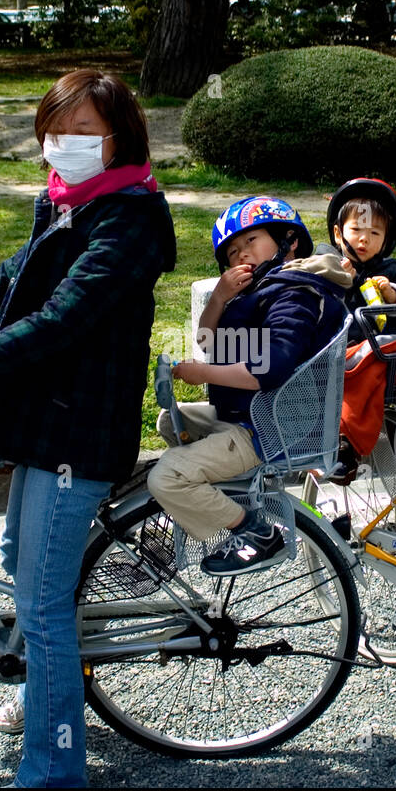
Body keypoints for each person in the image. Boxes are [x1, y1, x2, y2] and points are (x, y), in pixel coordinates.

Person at [0, 70, 176, 786]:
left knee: (43, 605)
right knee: (22, 562)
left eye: (85, 132)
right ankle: (43, 691)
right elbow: (12, 283)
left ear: (121, 139)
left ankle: (55, 769)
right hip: (39, 422)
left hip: (78, 430)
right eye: (56, 132)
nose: (66, 145)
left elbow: (60, 321)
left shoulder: (131, 218)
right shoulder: (64, 204)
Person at [148, 196, 350, 575]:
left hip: (268, 428)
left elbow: (270, 370)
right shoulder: (263, 290)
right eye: (232, 253)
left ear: (289, 240)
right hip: (249, 416)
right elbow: (208, 343)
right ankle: (217, 493)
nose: (241, 255)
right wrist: (221, 297)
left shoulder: (294, 292)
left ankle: (255, 531)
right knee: (167, 421)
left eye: (251, 242)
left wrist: (204, 375)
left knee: (167, 477)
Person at [317, 177, 396, 344]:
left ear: (386, 241)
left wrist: (392, 294)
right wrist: (336, 281)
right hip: (341, 350)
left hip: (391, 349)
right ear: (338, 234)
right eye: (356, 229)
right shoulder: (323, 263)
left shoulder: (391, 269)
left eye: (374, 233)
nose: (364, 238)